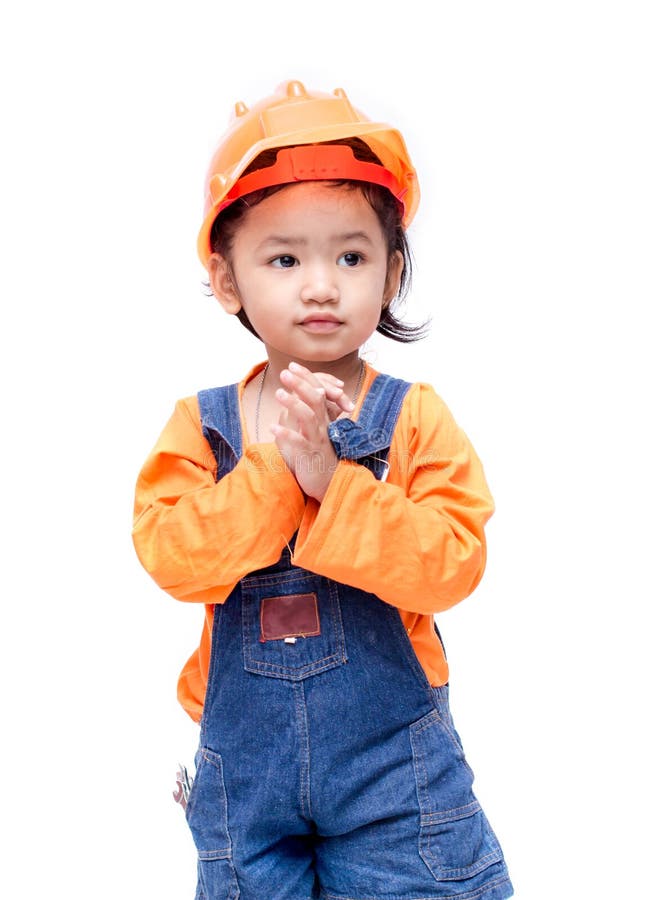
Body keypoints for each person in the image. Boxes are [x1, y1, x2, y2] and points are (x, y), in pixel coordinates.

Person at [132, 79, 513, 900]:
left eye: (351, 255)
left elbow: (452, 562)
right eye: (283, 257)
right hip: (249, 781)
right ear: (227, 279)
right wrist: (276, 468)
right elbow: (174, 559)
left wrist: (333, 484)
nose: (319, 284)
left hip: (394, 782)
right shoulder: (200, 428)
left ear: (391, 271)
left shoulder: (412, 418)